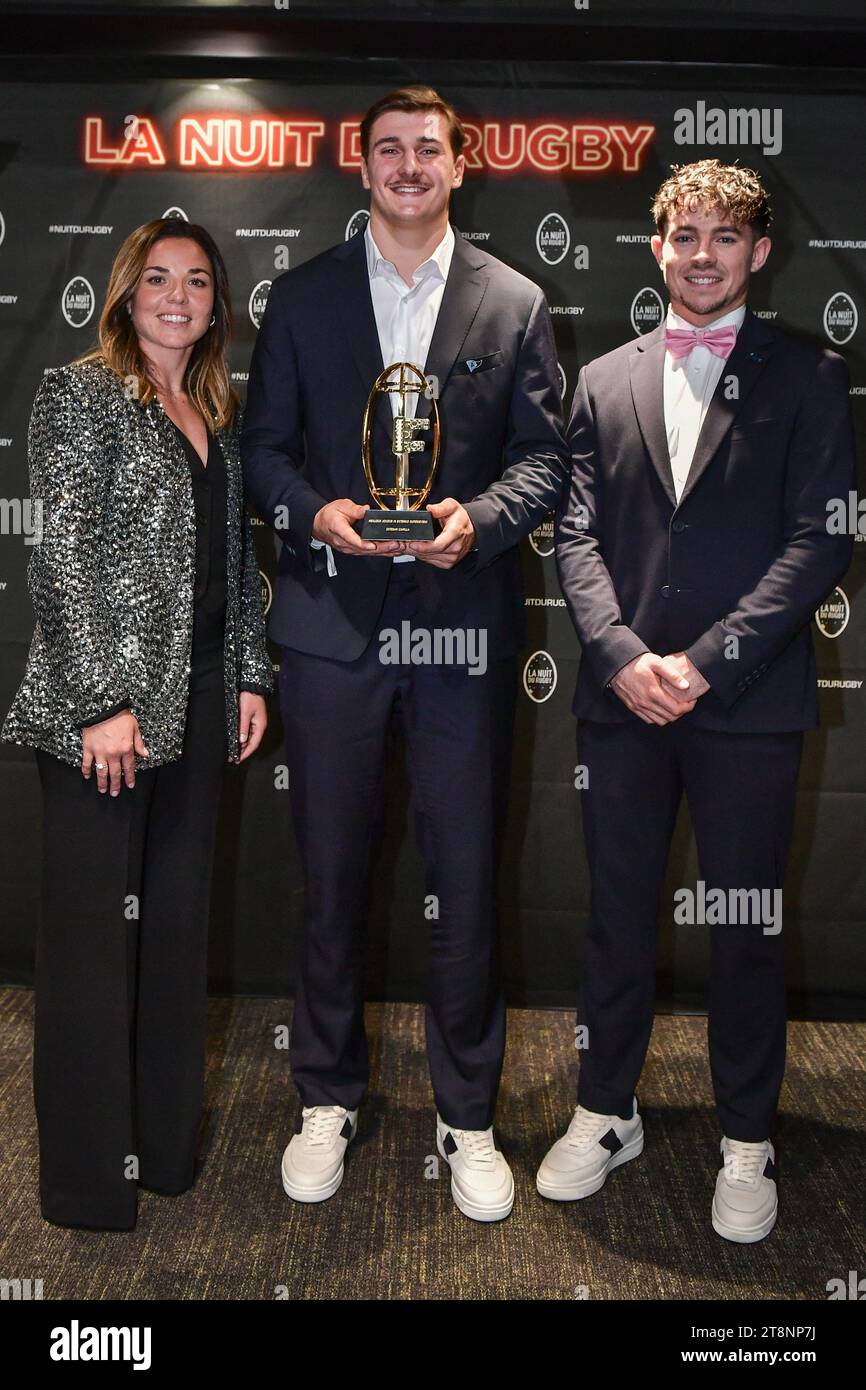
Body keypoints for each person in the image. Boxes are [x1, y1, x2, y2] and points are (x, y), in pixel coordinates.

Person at [242, 85, 569, 1222]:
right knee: (329, 873)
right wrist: (315, 514)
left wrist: (474, 520)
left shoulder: (513, 301)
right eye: (389, 150)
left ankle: (465, 1113)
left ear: (457, 165)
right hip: (331, 628)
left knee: (464, 875)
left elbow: (543, 465)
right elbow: (264, 454)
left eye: (428, 149)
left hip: (460, 635)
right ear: (361, 166)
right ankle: (324, 1095)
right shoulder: (301, 296)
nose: (409, 166)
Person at [543, 159, 855, 1242]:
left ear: (757, 254)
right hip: (619, 703)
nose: (702, 255)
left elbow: (821, 537)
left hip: (747, 703)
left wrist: (708, 660)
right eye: (685, 235)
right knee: (616, 920)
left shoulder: (807, 377)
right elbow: (574, 535)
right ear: (656, 246)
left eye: (725, 237)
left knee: (742, 931)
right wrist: (625, 654)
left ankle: (744, 1138)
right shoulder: (601, 380)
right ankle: (603, 1107)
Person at [2, 218, 272, 1230]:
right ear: (124, 293)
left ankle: (159, 1151)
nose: (176, 295)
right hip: (101, 722)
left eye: (196, 281)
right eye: (156, 278)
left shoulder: (216, 408)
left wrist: (246, 673)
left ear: (215, 303)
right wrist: (100, 704)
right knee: (88, 956)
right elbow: (59, 560)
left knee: (170, 941)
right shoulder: (79, 394)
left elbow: (236, 565)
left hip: (202, 706)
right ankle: (84, 1183)